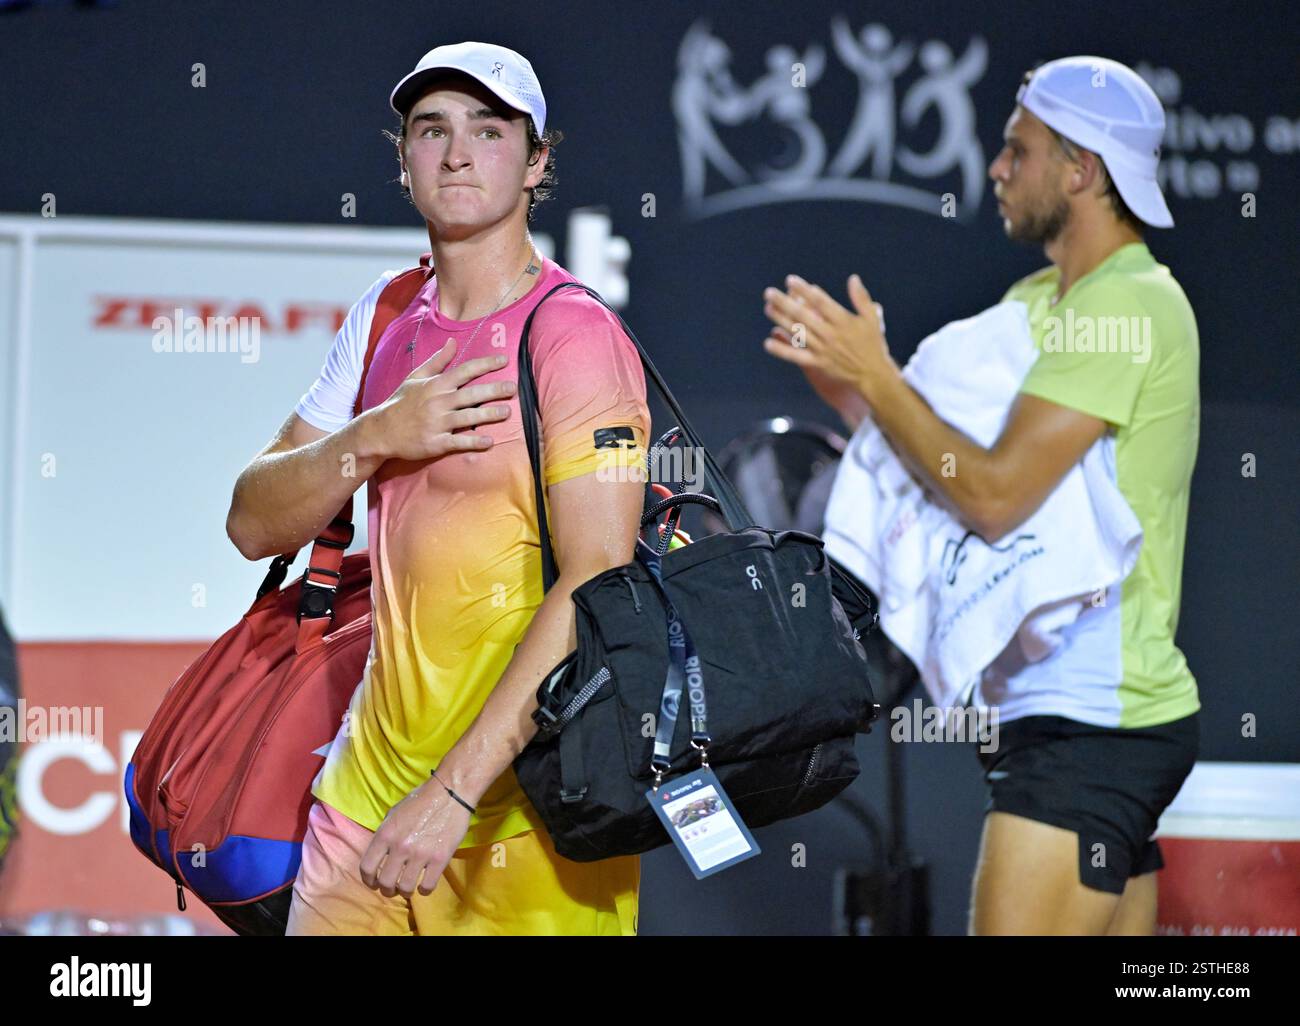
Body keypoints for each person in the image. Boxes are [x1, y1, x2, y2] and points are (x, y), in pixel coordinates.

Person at [761, 56, 1199, 936]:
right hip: (1060, 722)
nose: (996, 168)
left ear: (1081, 170)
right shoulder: (1041, 299)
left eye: (1017, 149)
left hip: (1091, 727)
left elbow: (994, 496)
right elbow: (954, 468)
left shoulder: (1131, 306)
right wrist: (856, 391)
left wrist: (880, 379)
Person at [226, 41, 650, 935]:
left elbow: (598, 579)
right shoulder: (384, 315)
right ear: (405, 159)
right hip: (364, 801)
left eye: (488, 131)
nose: (457, 152)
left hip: (534, 815)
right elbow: (252, 521)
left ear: (536, 162)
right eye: (432, 129)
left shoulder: (574, 336)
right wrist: (378, 433)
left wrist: (453, 793)